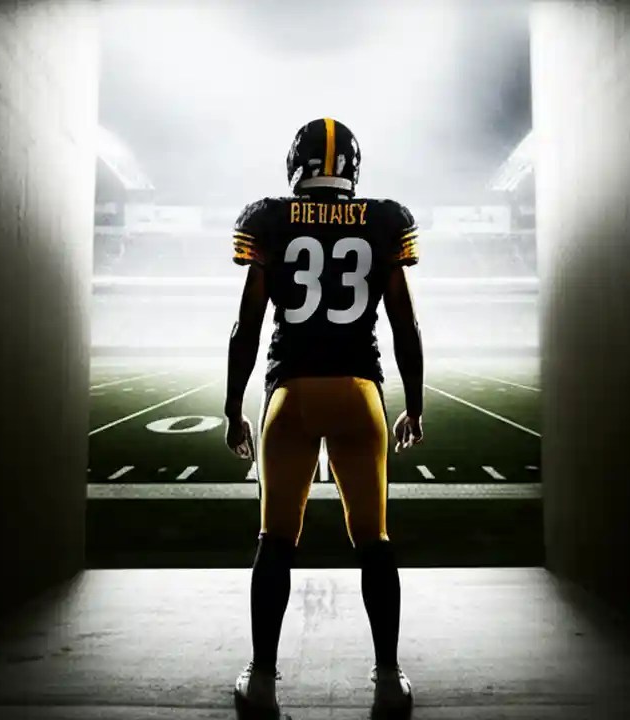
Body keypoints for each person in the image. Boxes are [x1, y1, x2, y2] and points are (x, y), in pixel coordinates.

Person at [223, 117, 424, 719]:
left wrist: (234, 408)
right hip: (360, 392)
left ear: (296, 165)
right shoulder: (384, 220)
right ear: (352, 169)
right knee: (374, 542)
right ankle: (388, 676)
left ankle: (262, 677)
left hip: (292, 394)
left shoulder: (270, 219)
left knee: (275, 541)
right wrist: (414, 403)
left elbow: (248, 326)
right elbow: (404, 324)